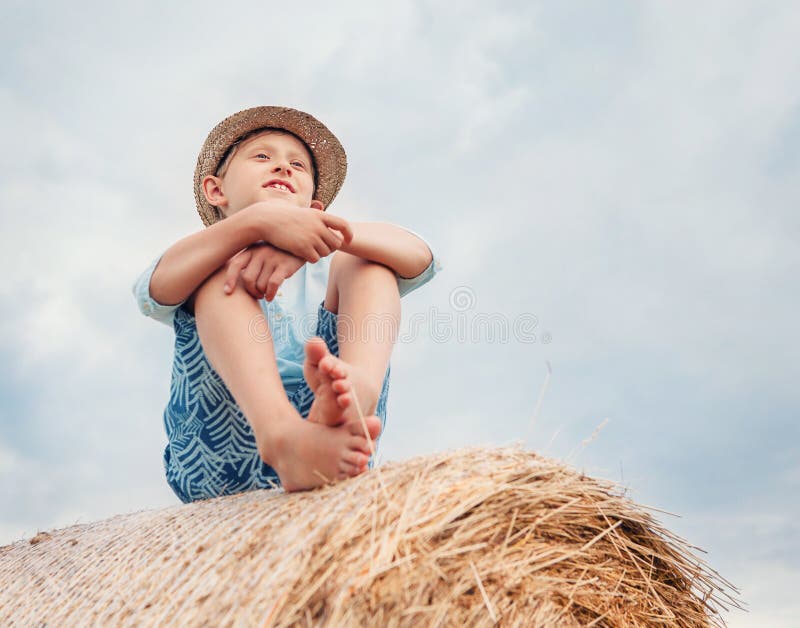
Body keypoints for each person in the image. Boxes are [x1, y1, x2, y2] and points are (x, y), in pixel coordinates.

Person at [132, 106, 441, 502]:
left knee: (368, 262)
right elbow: (156, 288)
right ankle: (280, 435)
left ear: (315, 208)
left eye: (298, 164)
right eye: (262, 156)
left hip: (334, 439)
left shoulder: (331, 265)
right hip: (221, 452)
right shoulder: (201, 256)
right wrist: (256, 224)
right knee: (218, 271)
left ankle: (358, 389)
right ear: (216, 190)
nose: (283, 167)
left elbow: (420, 256)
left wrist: (326, 239)